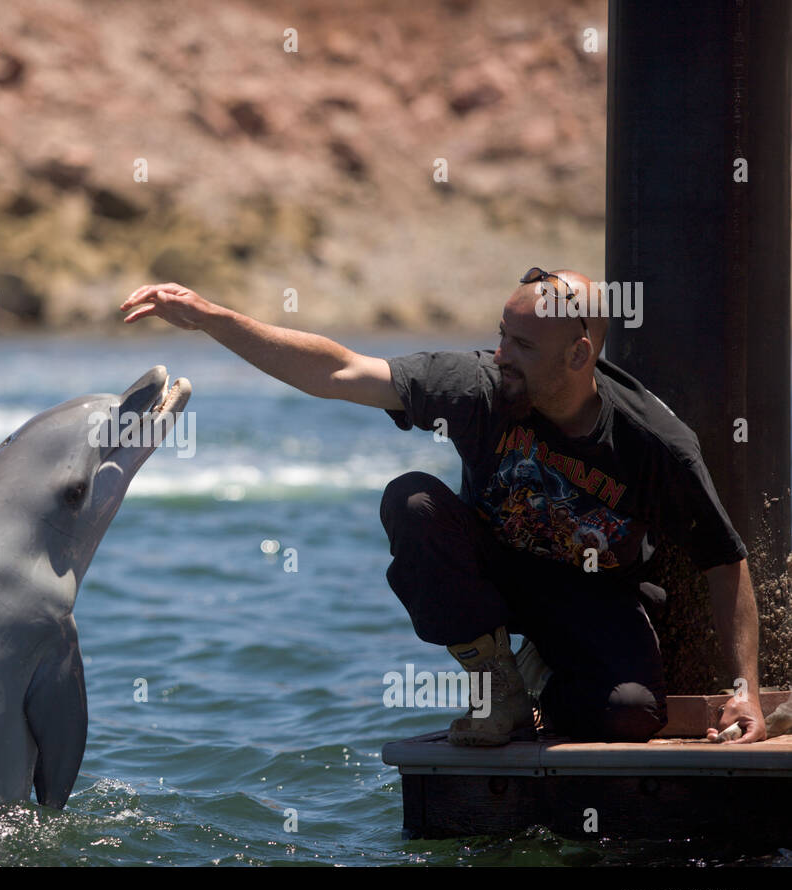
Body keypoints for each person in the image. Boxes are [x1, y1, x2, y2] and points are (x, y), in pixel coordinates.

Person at [120, 272, 767, 745]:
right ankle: (497, 688)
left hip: (593, 594)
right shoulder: (479, 387)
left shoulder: (655, 444)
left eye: (522, 346)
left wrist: (745, 691)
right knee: (415, 501)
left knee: (624, 716)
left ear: (579, 356)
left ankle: (554, 685)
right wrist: (212, 318)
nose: (501, 357)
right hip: (496, 569)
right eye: (501, 337)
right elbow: (339, 371)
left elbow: (724, 562)